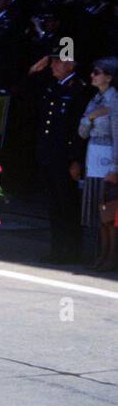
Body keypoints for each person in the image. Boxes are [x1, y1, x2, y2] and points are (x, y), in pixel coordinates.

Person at [28, 44, 89, 264]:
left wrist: (76, 160)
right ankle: (57, 249)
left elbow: (78, 130)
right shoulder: (52, 86)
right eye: (52, 61)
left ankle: (71, 250)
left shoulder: (78, 90)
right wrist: (37, 68)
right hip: (48, 154)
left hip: (65, 157)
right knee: (54, 204)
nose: (53, 65)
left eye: (57, 61)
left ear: (71, 64)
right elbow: (28, 93)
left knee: (68, 205)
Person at [78, 56, 118, 270]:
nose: (92, 76)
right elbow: (82, 132)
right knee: (97, 209)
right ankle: (101, 253)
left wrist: (115, 167)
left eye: (98, 73)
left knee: (108, 211)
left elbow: (117, 135)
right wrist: (91, 117)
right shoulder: (94, 100)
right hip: (92, 158)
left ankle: (111, 255)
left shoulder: (115, 101)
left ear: (109, 77)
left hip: (108, 159)